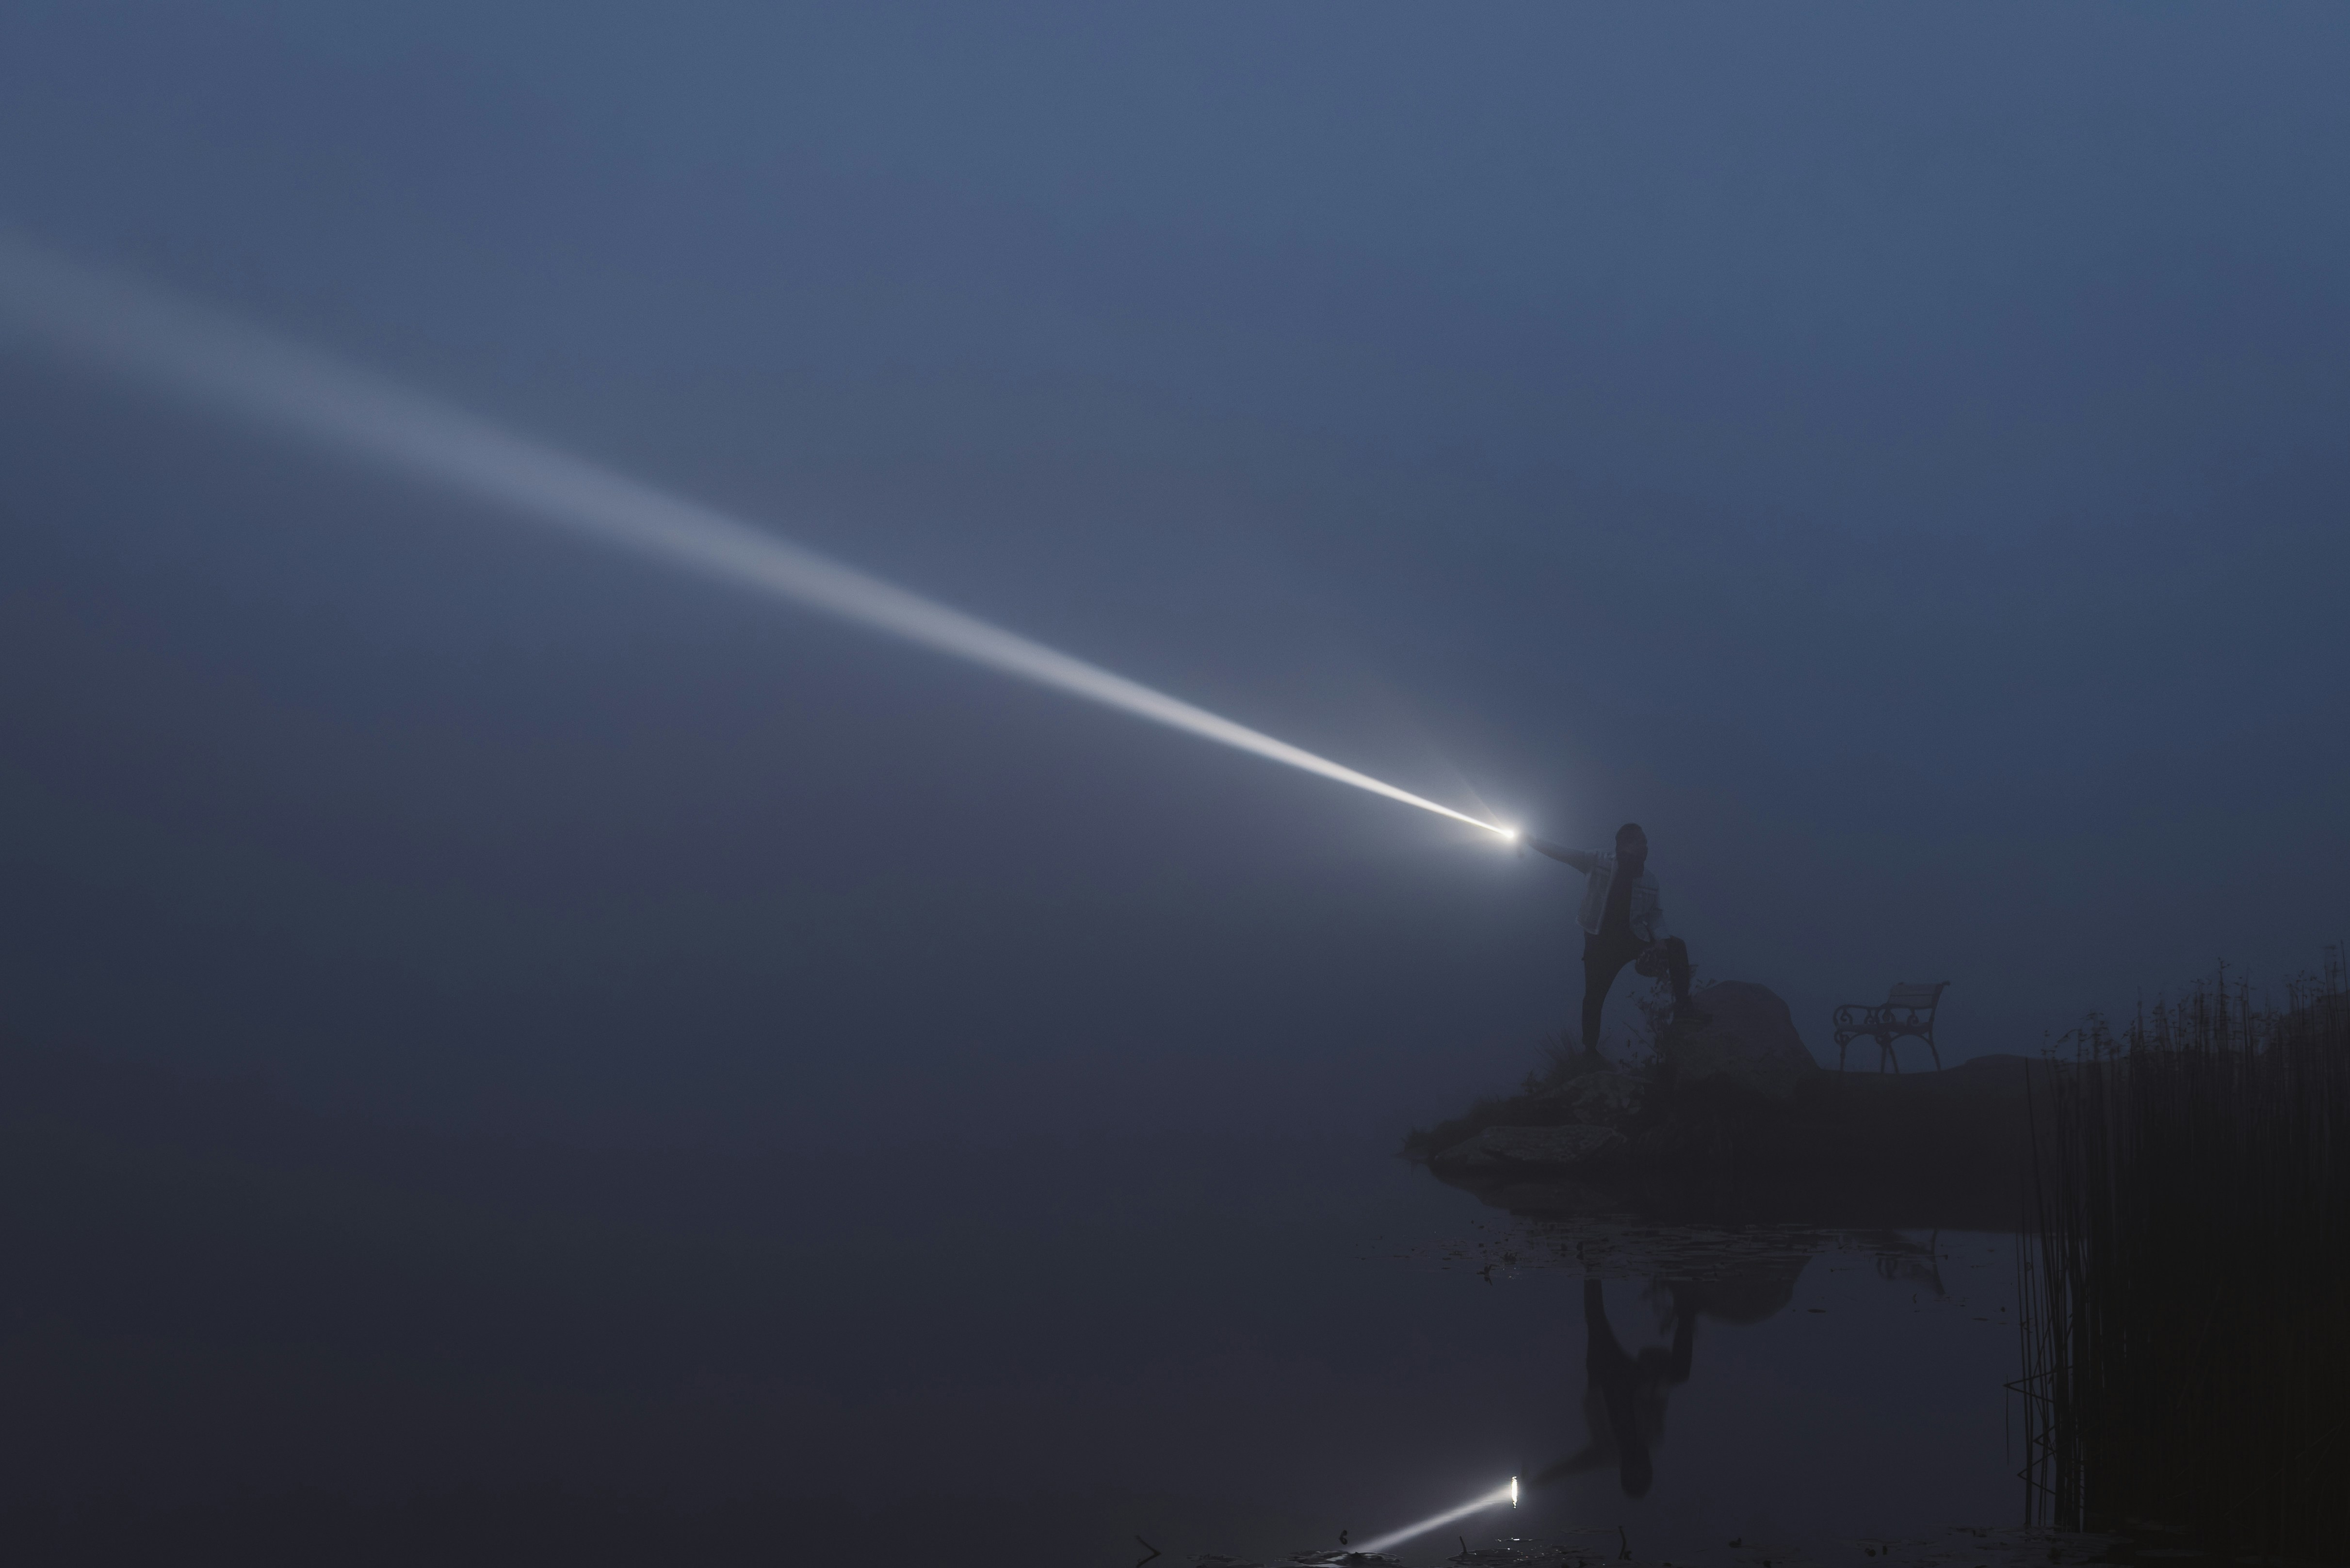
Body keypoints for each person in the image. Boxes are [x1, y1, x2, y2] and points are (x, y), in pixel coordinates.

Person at [1525, 821, 1706, 1058]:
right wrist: (1530, 840)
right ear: (1625, 844)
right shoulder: (1598, 860)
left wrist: (1661, 941)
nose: (1647, 846)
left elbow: (1655, 916)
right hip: (1600, 943)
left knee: (1677, 946)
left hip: (1632, 938)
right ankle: (1590, 1051)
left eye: (1647, 842)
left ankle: (1684, 1009)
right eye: (1642, 842)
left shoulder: (1650, 880)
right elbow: (1564, 853)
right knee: (1594, 996)